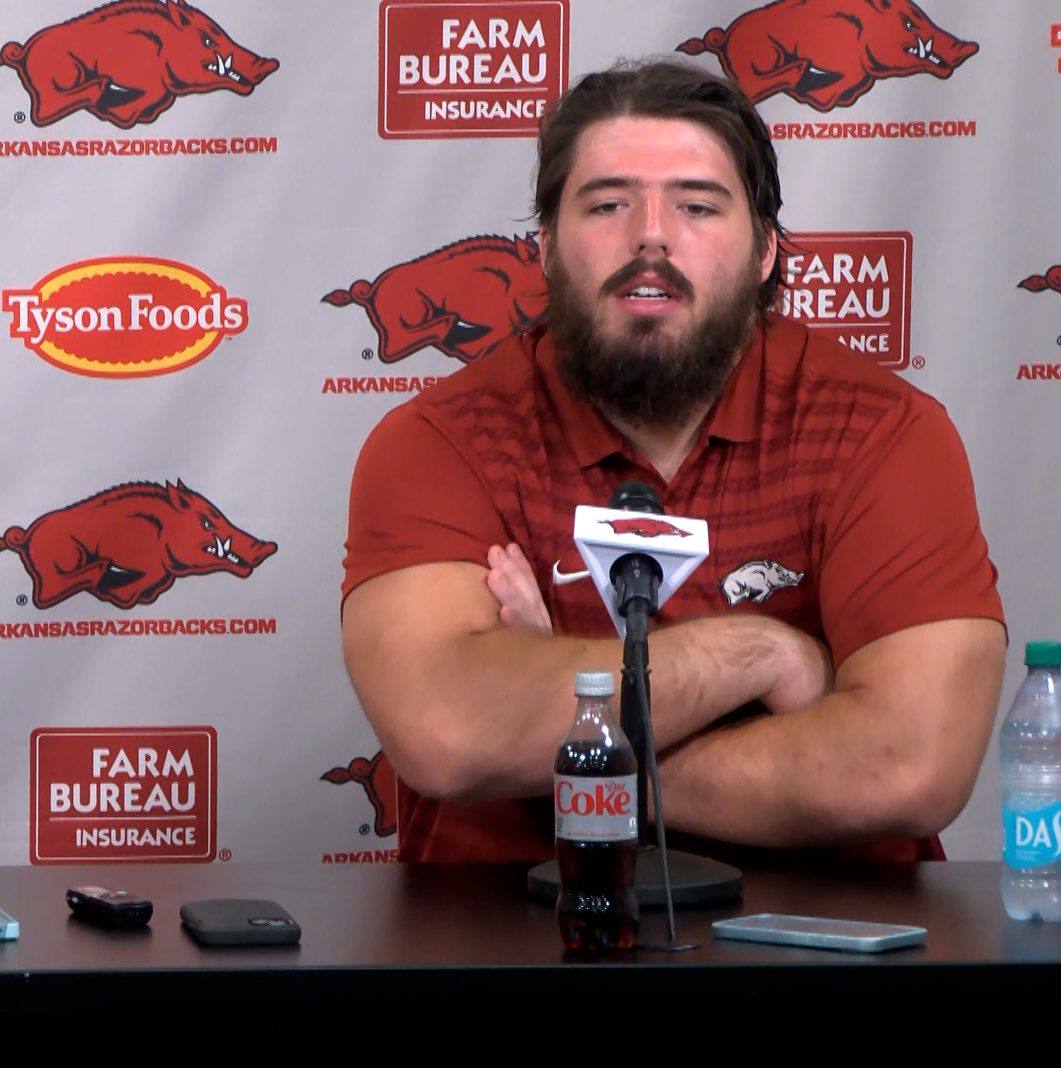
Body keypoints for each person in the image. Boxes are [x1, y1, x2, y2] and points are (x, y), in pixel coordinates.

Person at [339, 60, 1006, 864]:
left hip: (823, 930)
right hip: (519, 924)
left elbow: (908, 766)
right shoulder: (444, 441)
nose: (650, 235)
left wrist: (566, 737)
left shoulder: (878, 431)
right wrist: (762, 656)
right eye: (607, 204)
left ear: (765, 251)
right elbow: (449, 731)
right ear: (545, 247)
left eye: (697, 205)